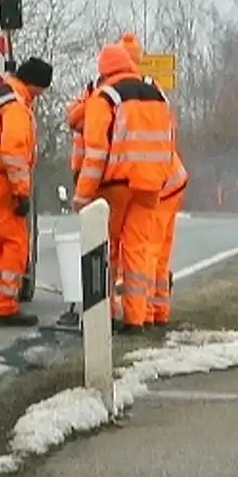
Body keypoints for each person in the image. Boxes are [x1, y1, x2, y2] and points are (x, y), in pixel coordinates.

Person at [72, 42, 176, 333]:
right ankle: (135, 319)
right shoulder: (157, 94)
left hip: (115, 186)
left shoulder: (104, 98)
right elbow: (169, 140)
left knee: (107, 250)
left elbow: (96, 153)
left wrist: (82, 198)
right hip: (152, 184)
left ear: (103, 69)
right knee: (138, 251)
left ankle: (105, 317)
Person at [0, 56, 52, 326]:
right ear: (35, 84)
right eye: (41, 91)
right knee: (15, 242)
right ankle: (4, 307)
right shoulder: (15, 105)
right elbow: (13, 151)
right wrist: (21, 192)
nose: (39, 97)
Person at [117, 32, 188, 325]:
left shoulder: (119, 94)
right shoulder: (155, 91)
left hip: (149, 181)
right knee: (159, 250)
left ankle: (143, 312)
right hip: (171, 177)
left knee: (143, 248)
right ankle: (158, 310)